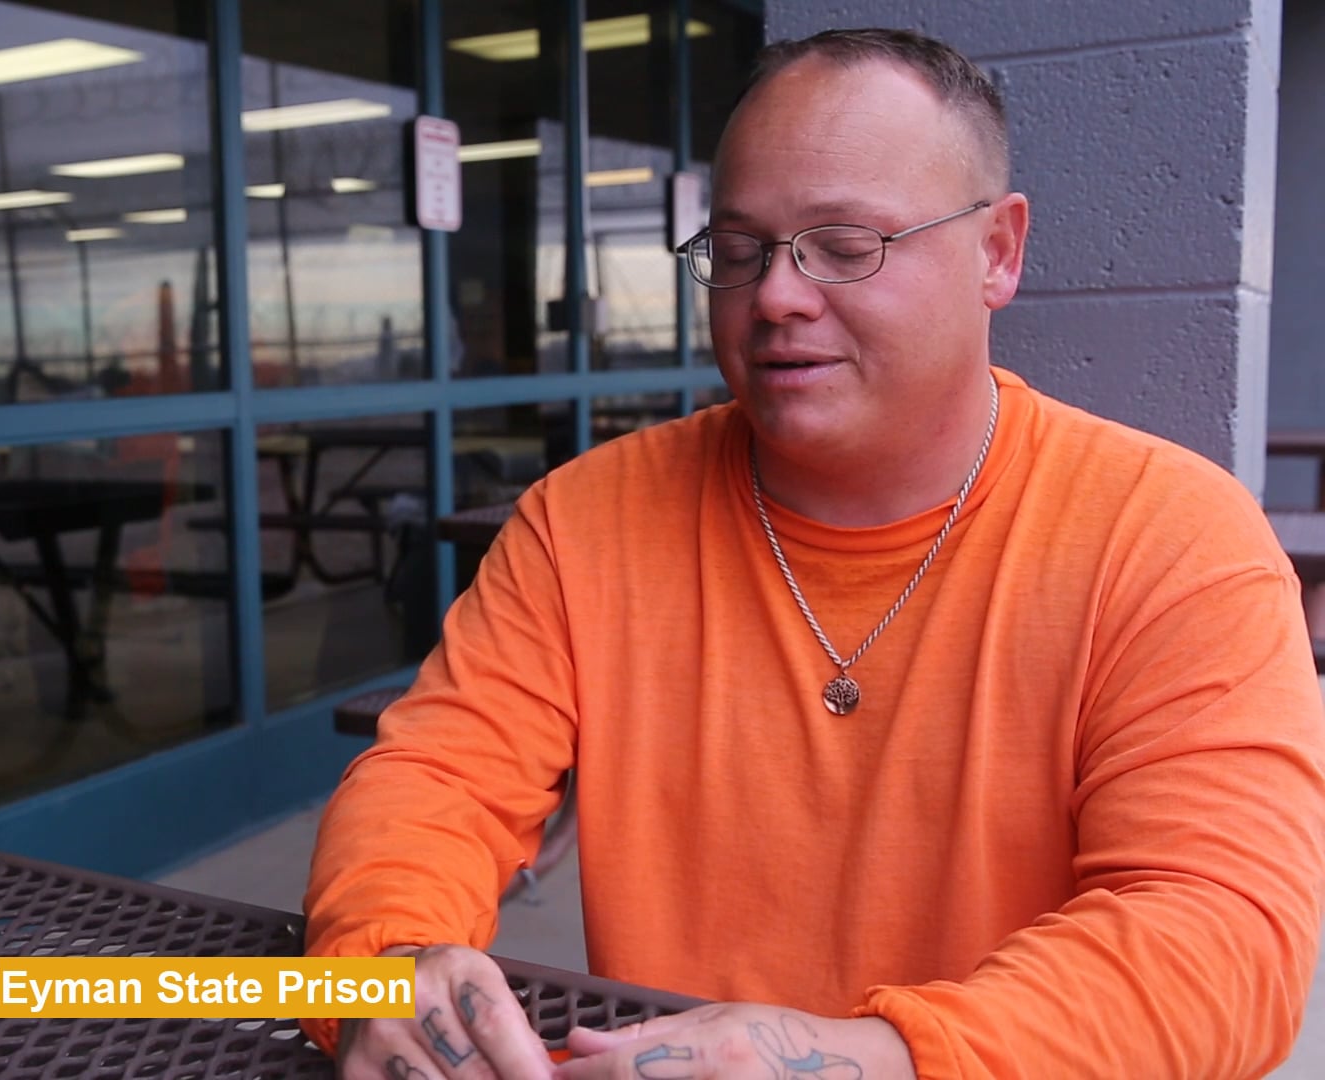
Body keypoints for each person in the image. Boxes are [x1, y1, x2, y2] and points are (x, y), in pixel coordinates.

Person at [299, 27, 1325, 1080]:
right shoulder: (584, 521)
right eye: (739, 251)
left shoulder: (1169, 538)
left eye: (847, 246)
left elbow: (1219, 933)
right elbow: (434, 780)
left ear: (998, 252)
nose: (777, 296)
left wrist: (862, 1058)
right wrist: (388, 968)